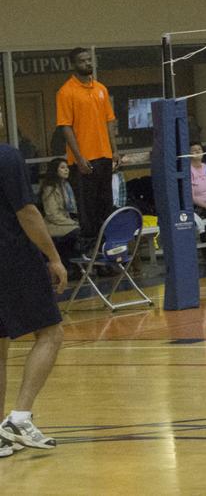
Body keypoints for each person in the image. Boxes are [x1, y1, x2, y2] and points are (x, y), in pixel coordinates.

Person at [0, 144, 68, 457]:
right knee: (51, 333)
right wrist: (53, 257)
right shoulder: (6, 156)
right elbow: (26, 211)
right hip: (13, 259)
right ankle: (19, 418)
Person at [56, 47, 120, 243]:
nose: (88, 64)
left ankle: (108, 251)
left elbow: (109, 121)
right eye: (83, 61)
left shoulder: (101, 89)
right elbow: (65, 127)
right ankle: (92, 254)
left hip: (104, 156)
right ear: (73, 65)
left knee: (106, 206)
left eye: (89, 60)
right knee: (88, 210)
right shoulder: (66, 92)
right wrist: (79, 157)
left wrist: (114, 151)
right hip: (83, 161)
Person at [38, 158, 81, 263]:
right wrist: (73, 223)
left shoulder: (66, 186)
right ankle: (73, 264)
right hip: (53, 224)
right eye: (62, 168)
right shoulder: (49, 188)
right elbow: (52, 215)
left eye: (67, 167)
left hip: (65, 221)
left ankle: (78, 264)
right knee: (78, 231)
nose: (67, 170)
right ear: (55, 170)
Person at [189, 142, 206, 215]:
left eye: (199, 149)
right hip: (200, 207)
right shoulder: (188, 170)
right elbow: (192, 197)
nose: (197, 151)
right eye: (194, 150)